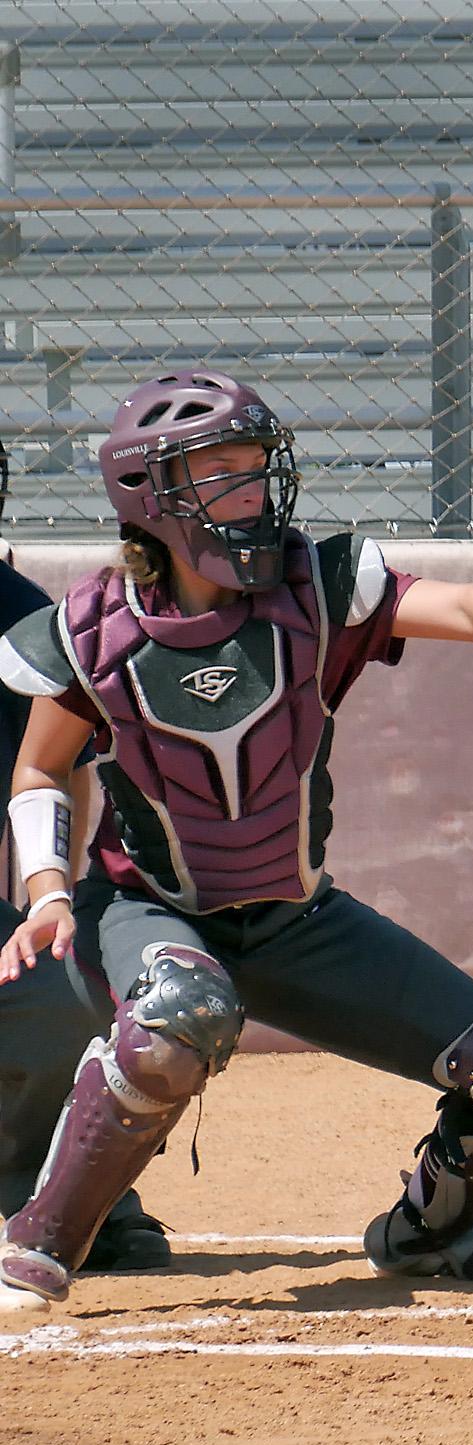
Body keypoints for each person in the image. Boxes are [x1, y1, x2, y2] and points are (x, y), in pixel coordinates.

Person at [0, 370, 473, 1314]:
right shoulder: (93, 629)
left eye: (256, 466)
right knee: (181, 1013)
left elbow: (455, 607)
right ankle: (37, 1246)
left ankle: (427, 1234)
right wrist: (48, 893)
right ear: (151, 493)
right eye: (221, 470)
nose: (252, 491)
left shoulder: (318, 590)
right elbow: (38, 770)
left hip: (297, 920)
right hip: (148, 911)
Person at [0, 439, 172, 1273]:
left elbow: (59, 768)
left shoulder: (18, 618)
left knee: (67, 983)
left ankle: (47, 1189)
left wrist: (51, 899)